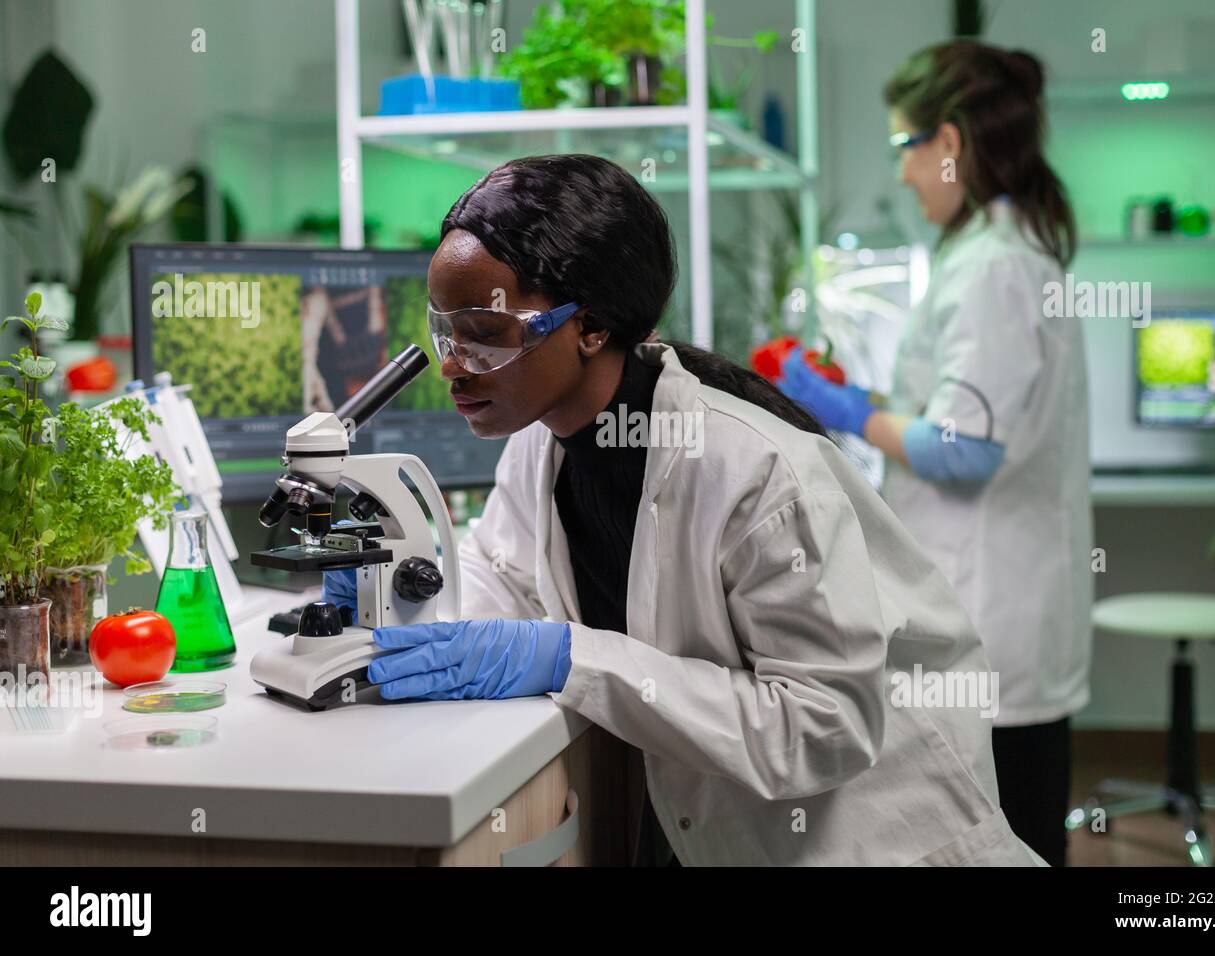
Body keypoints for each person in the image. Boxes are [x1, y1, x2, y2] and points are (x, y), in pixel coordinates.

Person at [324, 153, 1045, 867]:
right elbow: (496, 586)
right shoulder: (539, 454)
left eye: (485, 331)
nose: (451, 364)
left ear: (592, 327)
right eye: (445, 330)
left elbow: (824, 728)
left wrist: (575, 659)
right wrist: (381, 583)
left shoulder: (754, 471)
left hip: (874, 838)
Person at [778, 42, 1091, 867]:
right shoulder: (997, 253)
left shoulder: (993, 267)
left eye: (902, 148)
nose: (904, 174)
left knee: (1005, 836)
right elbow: (954, 416)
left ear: (947, 143)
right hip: (1005, 599)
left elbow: (962, 450)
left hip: (994, 612)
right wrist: (871, 405)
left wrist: (840, 409)